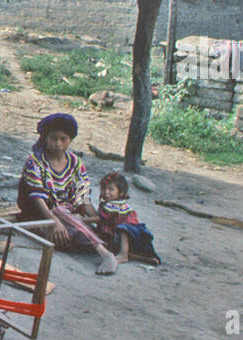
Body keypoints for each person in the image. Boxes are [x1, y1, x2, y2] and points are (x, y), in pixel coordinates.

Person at [17, 112, 121, 275]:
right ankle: (105, 253)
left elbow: (83, 196)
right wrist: (55, 220)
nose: (58, 144)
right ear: (46, 138)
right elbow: (37, 198)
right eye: (53, 138)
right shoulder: (35, 162)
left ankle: (103, 247)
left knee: (94, 230)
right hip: (41, 218)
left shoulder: (76, 163)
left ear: (70, 139)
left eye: (63, 139)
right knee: (64, 226)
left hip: (70, 217)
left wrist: (98, 218)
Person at [93, 172, 162, 267]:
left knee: (122, 228)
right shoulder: (107, 203)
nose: (106, 192)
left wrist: (83, 220)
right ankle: (144, 259)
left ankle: (123, 254)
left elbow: (100, 218)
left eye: (110, 189)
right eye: (104, 188)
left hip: (129, 236)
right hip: (115, 238)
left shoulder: (116, 204)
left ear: (121, 192)